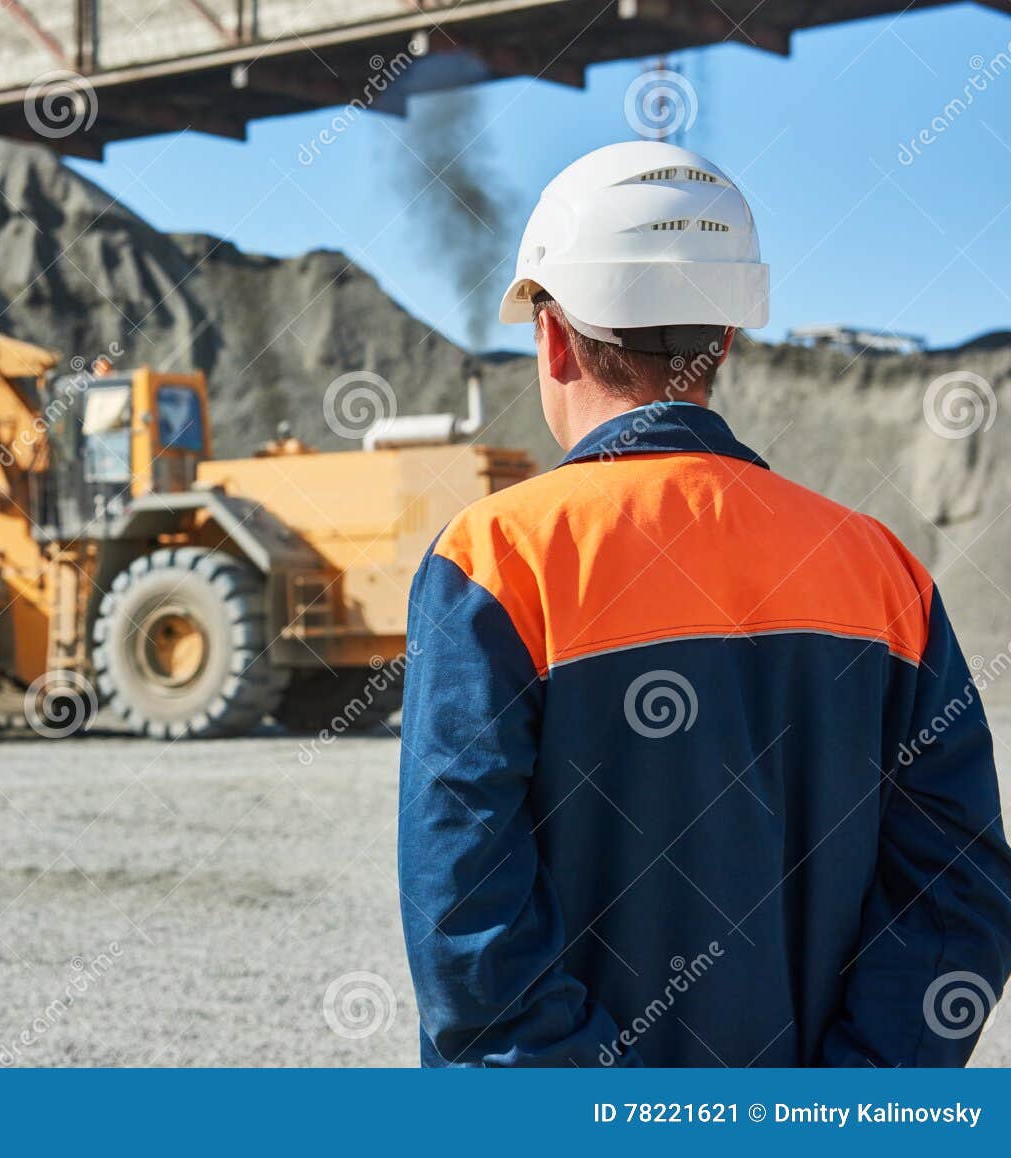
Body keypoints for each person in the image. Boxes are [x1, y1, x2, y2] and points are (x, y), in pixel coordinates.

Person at [398, 140, 1011, 1067]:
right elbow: (955, 898)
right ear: (724, 339)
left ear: (553, 337)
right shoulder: (885, 573)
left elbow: (465, 920)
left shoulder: (496, 559)